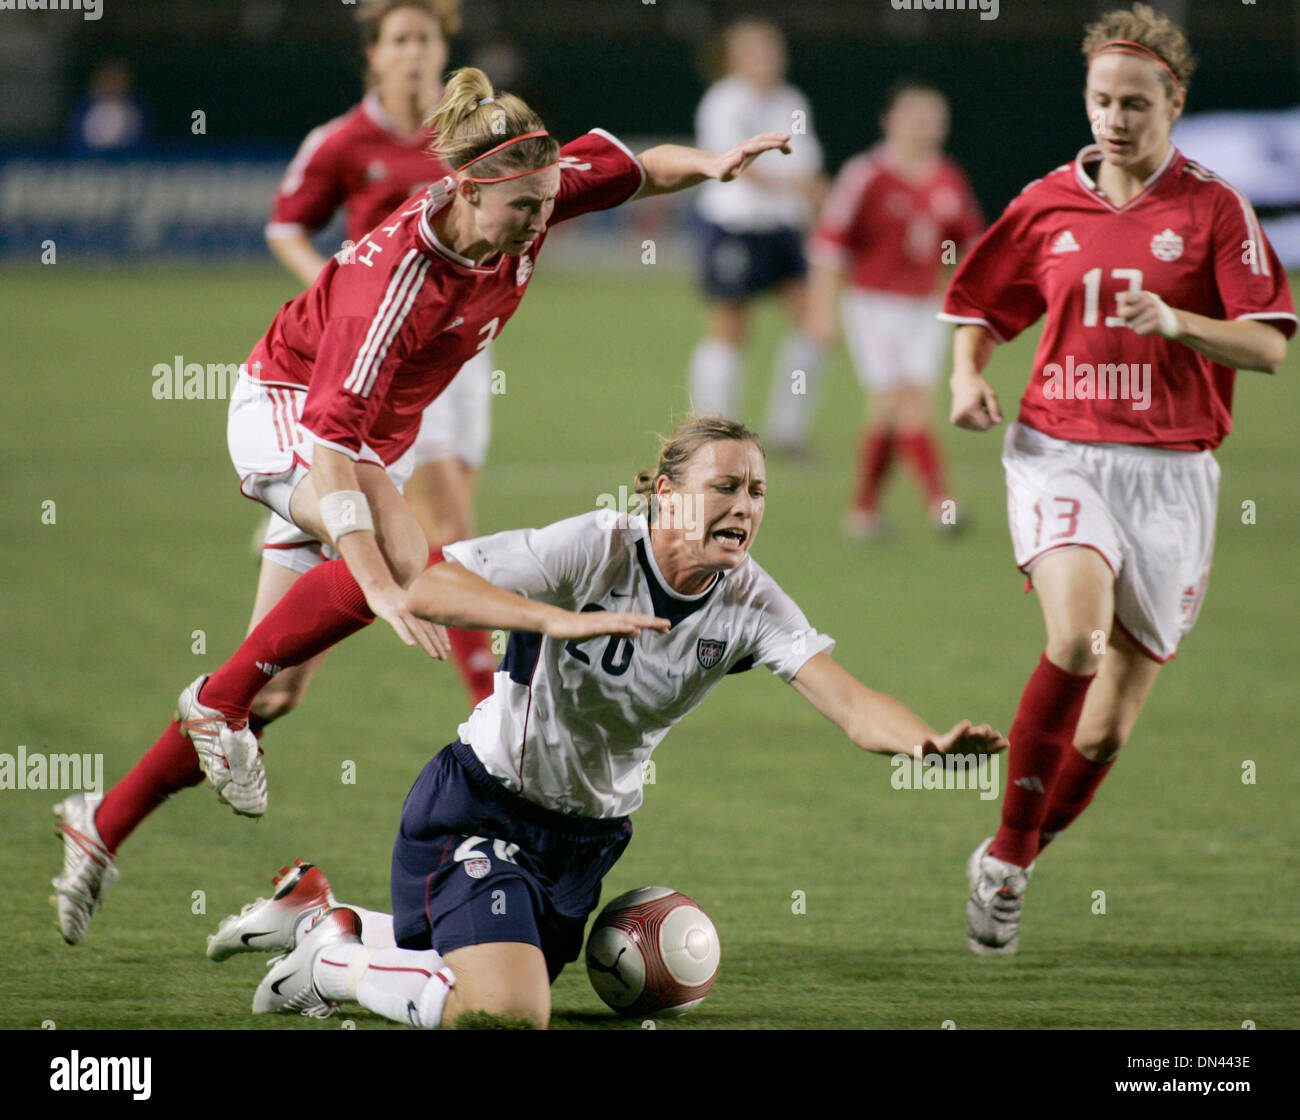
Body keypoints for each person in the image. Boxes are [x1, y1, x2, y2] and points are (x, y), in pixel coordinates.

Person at [49, 66, 797, 946]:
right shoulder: (395, 279)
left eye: (547, 204)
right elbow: (329, 447)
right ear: (467, 192)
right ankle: (215, 707)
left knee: (279, 684)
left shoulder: (529, 185)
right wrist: (379, 580)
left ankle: (103, 822)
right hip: (289, 413)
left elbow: (642, 167)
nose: (539, 222)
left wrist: (712, 163)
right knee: (398, 572)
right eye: (522, 210)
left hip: (361, 442)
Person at [204, 417, 1008, 1029]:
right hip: (478, 807)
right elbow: (428, 587)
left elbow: (853, 701)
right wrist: (552, 620)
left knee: (476, 971)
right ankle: (335, 962)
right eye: (724, 487)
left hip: (584, 844)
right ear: (663, 492)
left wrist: (924, 742)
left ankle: (316, 909)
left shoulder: (751, 602)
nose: (743, 507)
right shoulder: (593, 551)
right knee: (509, 1014)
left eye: (756, 491)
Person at [940, 3, 1295, 954]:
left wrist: (1181, 324)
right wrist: (968, 374)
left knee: (1101, 738)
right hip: (1059, 450)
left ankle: (1007, 855)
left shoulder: (1214, 208)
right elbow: (982, 301)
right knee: (1078, 631)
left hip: (1174, 474)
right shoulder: (1048, 200)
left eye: (1135, 103)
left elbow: (1268, 347)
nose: (1114, 119)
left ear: (1173, 102)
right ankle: (1011, 861)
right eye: (1101, 100)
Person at [264, 0, 498, 705]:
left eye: (425, 38)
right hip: (386, 356)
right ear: (374, 55)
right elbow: (285, 227)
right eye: (398, 40)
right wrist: (336, 295)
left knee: (438, 517)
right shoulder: (341, 141)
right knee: (448, 525)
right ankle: (493, 709)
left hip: (461, 348)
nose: (413, 52)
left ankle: (277, 654)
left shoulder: (470, 135)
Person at [806, 81, 984, 539]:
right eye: (913, 115)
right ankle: (941, 504)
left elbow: (964, 245)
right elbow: (830, 245)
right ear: (889, 121)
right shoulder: (866, 174)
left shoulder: (949, 178)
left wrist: (972, 294)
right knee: (905, 399)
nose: (923, 126)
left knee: (894, 407)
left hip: (926, 307)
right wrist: (823, 310)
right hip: (874, 303)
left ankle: (863, 511)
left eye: (932, 117)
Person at [687, 18, 827, 456]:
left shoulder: (791, 100)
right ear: (733, 58)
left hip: (783, 227)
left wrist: (813, 194)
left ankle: (789, 431)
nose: (769, 58)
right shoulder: (723, 101)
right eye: (757, 49)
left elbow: (808, 160)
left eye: (772, 48)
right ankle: (712, 432)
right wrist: (799, 186)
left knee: (813, 325)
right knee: (731, 327)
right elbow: (738, 165)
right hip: (736, 225)